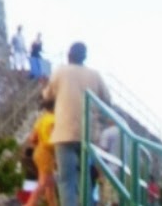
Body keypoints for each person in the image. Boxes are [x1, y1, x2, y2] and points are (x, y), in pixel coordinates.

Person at [43, 41, 110, 206]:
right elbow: (107, 100)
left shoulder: (60, 72)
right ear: (84, 56)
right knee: (85, 177)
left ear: (69, 54)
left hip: (65, 132)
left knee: (66, 179)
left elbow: (48, 95)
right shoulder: (95, 75)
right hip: (87, 133)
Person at [25, 99, 57, 206]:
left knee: (49, 184)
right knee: (43, 182)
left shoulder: (42, 119)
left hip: (38, 150)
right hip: (47, 153)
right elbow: (52, 140)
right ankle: (30, 204)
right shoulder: (53, 120)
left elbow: (32, 137)